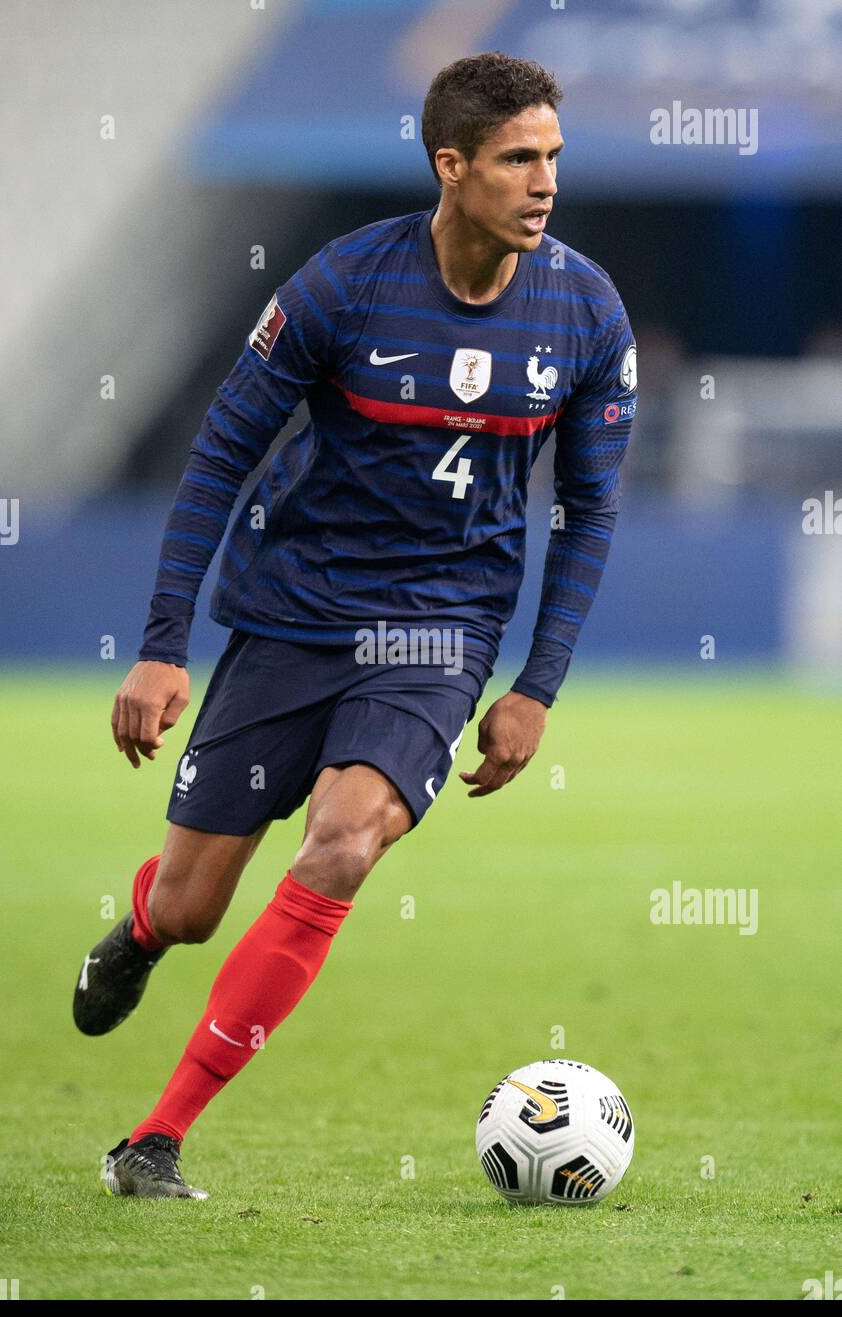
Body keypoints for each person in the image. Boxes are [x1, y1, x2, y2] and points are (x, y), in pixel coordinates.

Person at [73, 51, 637, 1199]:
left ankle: (157, 1137)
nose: (544, 183)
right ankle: (137, 927)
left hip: (442, 630)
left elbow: (587, 513)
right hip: (291, 615)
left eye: (553, 159)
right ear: (451, 166)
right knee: (191, 906)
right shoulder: (340, 286)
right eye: (518, 159)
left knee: (341, 841)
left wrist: (535, 685)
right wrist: (165, 640)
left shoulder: (583, 310)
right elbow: (220, 456)